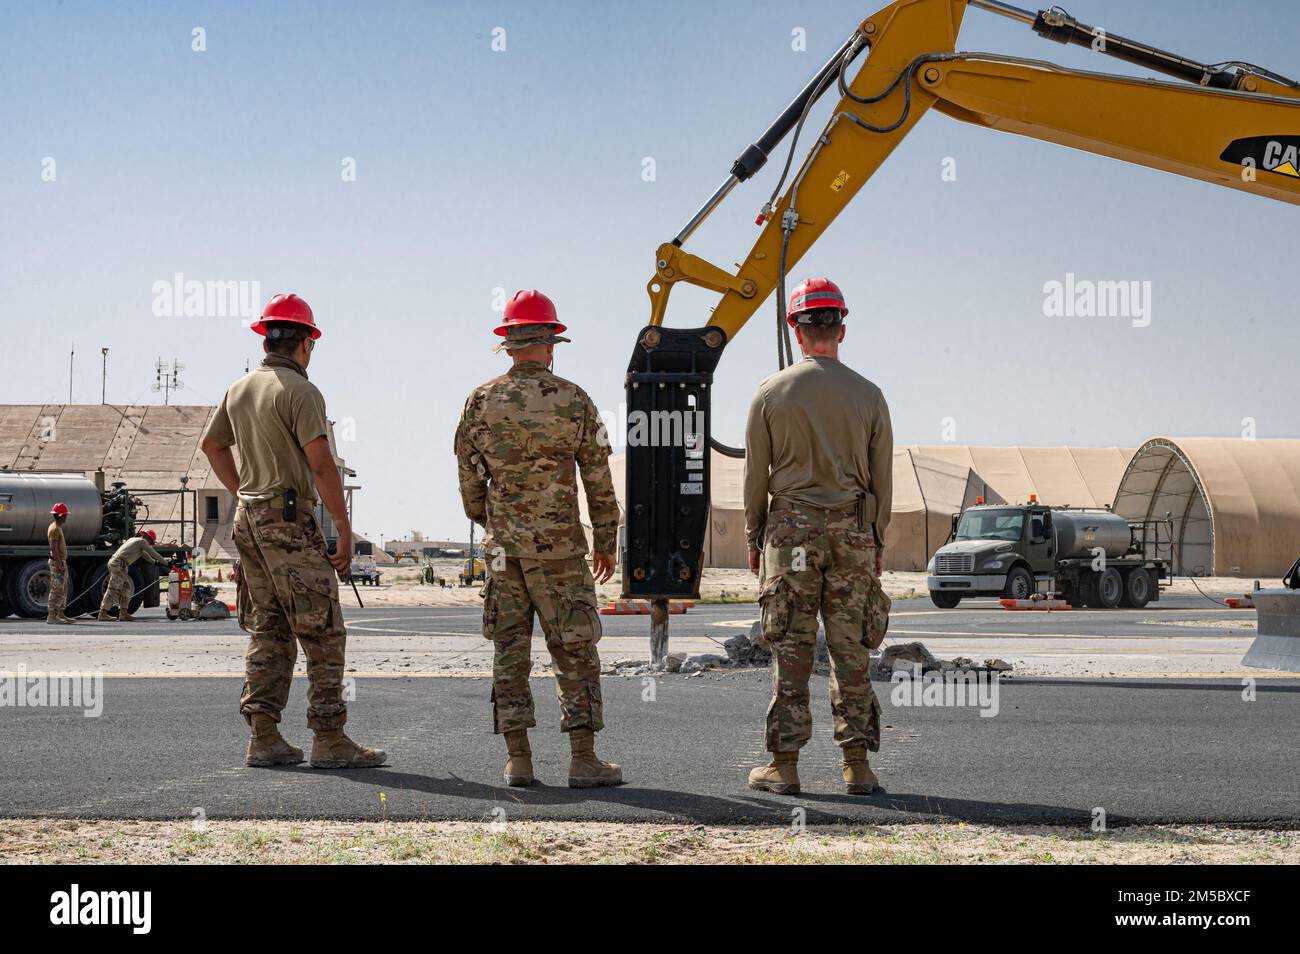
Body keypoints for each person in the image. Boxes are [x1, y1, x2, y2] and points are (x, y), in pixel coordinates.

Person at [200, 293, 386, 770]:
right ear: (306, 342)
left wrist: (242, 489)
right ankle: (330, 738)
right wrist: (343, 530)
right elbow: (322, 467)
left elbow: (212, 444)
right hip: (285, 518)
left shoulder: (239, 388)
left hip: (249, 518)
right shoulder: (301, 392)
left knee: (270, 625)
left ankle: (264, 736)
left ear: (266, 337)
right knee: (323, 629)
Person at [455, 289, 622, 788]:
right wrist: (606, 539)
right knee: (573, 649)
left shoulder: (481, 400)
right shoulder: (574, 400)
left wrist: (493, 523)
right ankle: (583, 757)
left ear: (508, 343)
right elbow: (597, 477)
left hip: (504, 551)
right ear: (551, 342)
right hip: (562, 551)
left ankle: (519, 759)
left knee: (509, 649)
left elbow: (468, 478)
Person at [743, 277, 893, 796]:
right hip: (852, 531)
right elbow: (881, 479)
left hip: (790, 533)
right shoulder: (870, 396)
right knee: (851, 649)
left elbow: (755, 478)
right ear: (842, 329)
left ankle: (784, 766)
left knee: (791, 648)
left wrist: (754, 536)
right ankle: (857, 766)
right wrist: (874, 538)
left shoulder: (769, 393)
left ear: (796, 328)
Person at [96, 530, 169, 622]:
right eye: (150, 542)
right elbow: (153, 553)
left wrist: (155, 563)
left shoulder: (134, 541)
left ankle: (123, 613)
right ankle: (103, 613)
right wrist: (166, 563)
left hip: (119, 564)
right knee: (114, 589)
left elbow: (145, 555)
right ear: (148, 539)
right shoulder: (142, 542)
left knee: (125, 589)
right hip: (119, 565)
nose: (149, 544)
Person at [46, 503, 74, 625]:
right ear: (61, 515)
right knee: (56, 588)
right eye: (65, 515)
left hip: (60, 561)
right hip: (57, 563)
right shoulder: (55, 529)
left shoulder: (57, 527)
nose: (66, 517)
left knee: (63, 588)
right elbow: (54, 548)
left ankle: (60, 613)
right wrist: (60, 564)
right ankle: (52, 615)